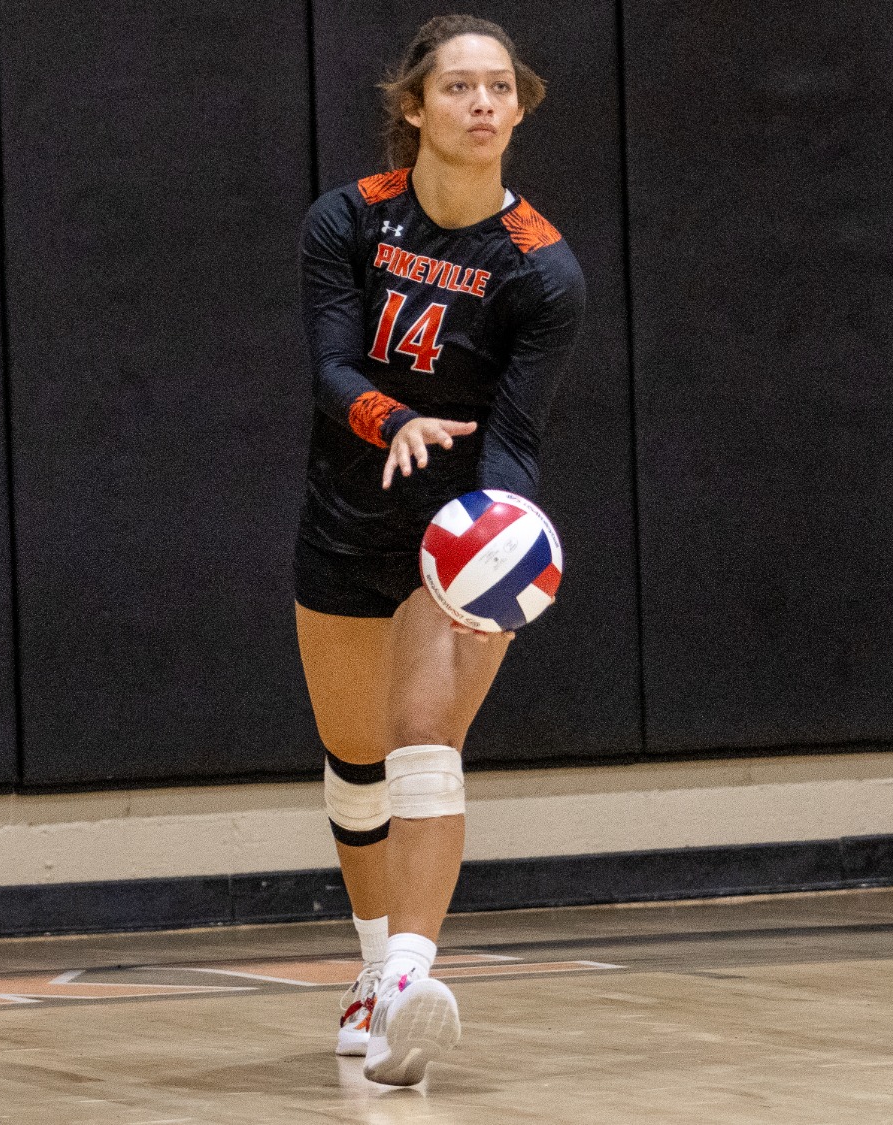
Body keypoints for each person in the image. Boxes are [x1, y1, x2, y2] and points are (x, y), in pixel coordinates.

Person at [293, 13, 585, 1087]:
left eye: (497, 88)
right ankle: (371, 966)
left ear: (517, 108)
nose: (480, 104)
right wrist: (389, 420)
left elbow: (513, 437)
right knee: (353, 767)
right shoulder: (349, 221)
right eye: (457, 87)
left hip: (450, 539)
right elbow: (328, 368)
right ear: (412, 107)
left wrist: (491, 551)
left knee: (423, 742)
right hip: (343, 513)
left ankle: (408, 992)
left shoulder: (541, 269)